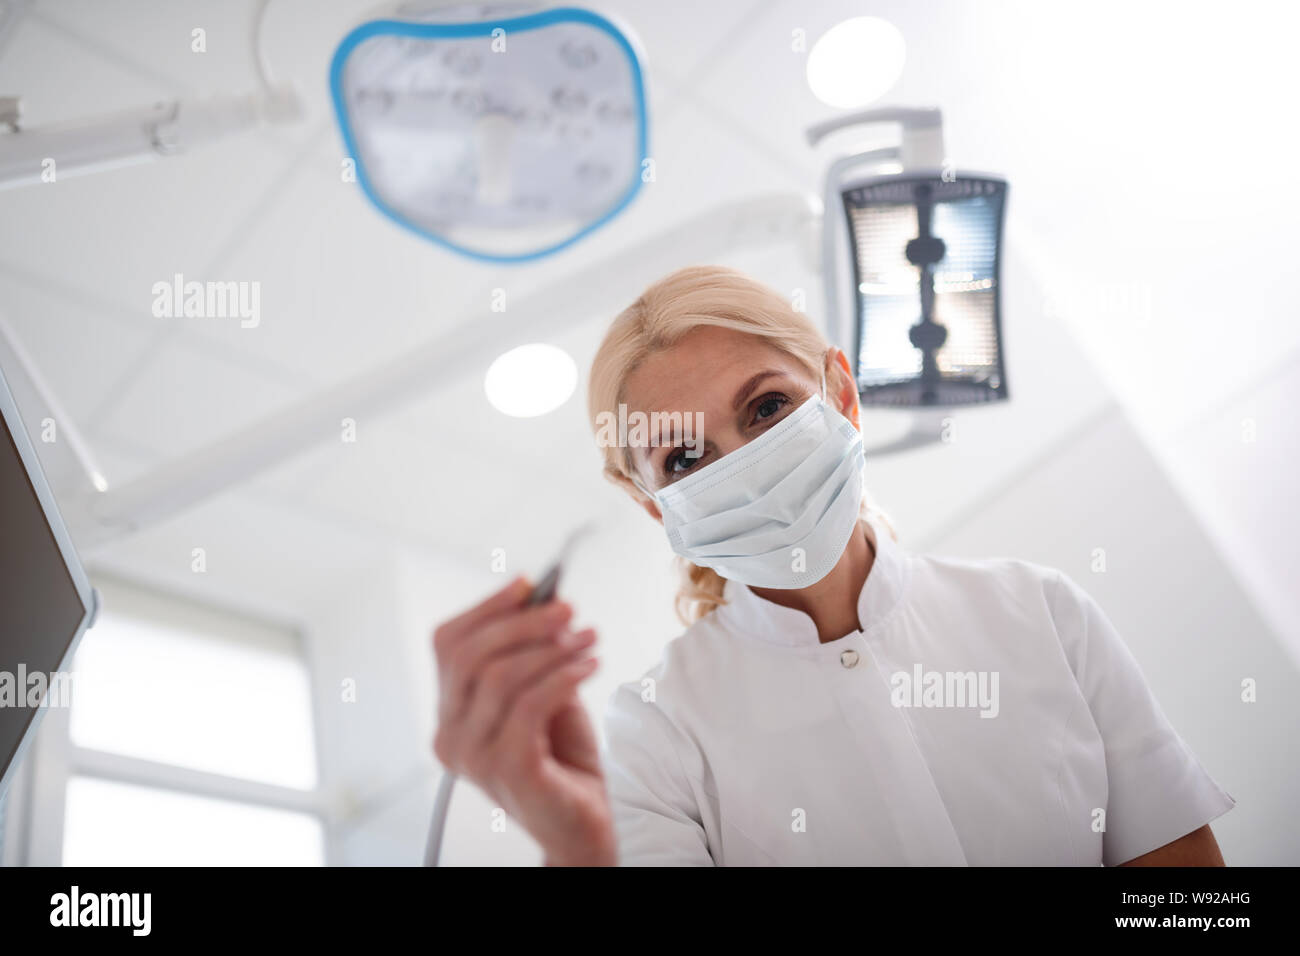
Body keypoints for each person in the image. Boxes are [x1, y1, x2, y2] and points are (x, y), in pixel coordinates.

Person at [431, 264, 1235, 866]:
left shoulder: (1039, 614)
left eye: (769, 408)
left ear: (841, 393)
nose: (745, 464)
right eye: (684, 457)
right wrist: (581, 847)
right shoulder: (658, 732)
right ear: (653, 506)